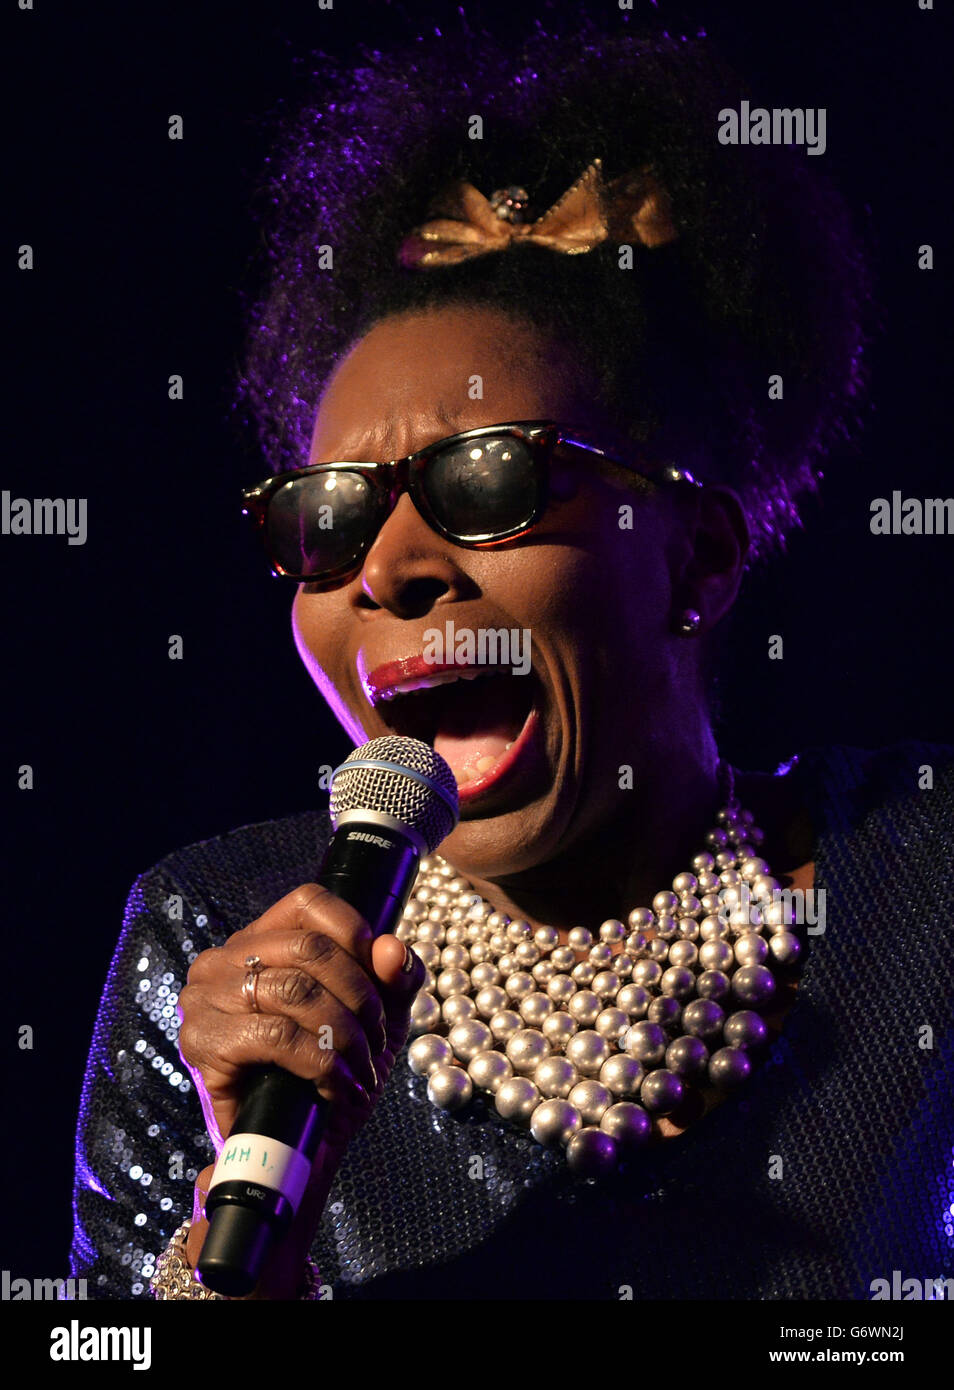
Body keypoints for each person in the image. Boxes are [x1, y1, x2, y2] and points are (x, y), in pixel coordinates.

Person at [65, 15, 953, 1302]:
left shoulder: (921, 878)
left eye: (487, 480)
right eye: (329, 515)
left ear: (700, 559)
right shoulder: (214, 935)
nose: (386, 566)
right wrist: (237, 1243)